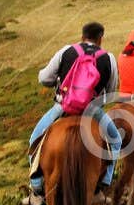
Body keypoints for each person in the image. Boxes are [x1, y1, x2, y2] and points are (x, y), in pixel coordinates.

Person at [29, 21, 121, 196]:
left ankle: (37, 186)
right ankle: (104, 182)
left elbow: (44, 79)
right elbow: (110, 92)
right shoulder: (109, 58)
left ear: (82, 36)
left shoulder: (66, 51)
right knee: (116, 140)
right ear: (100, 38)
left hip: (63, 107)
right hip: (92, 111)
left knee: (34, 139)